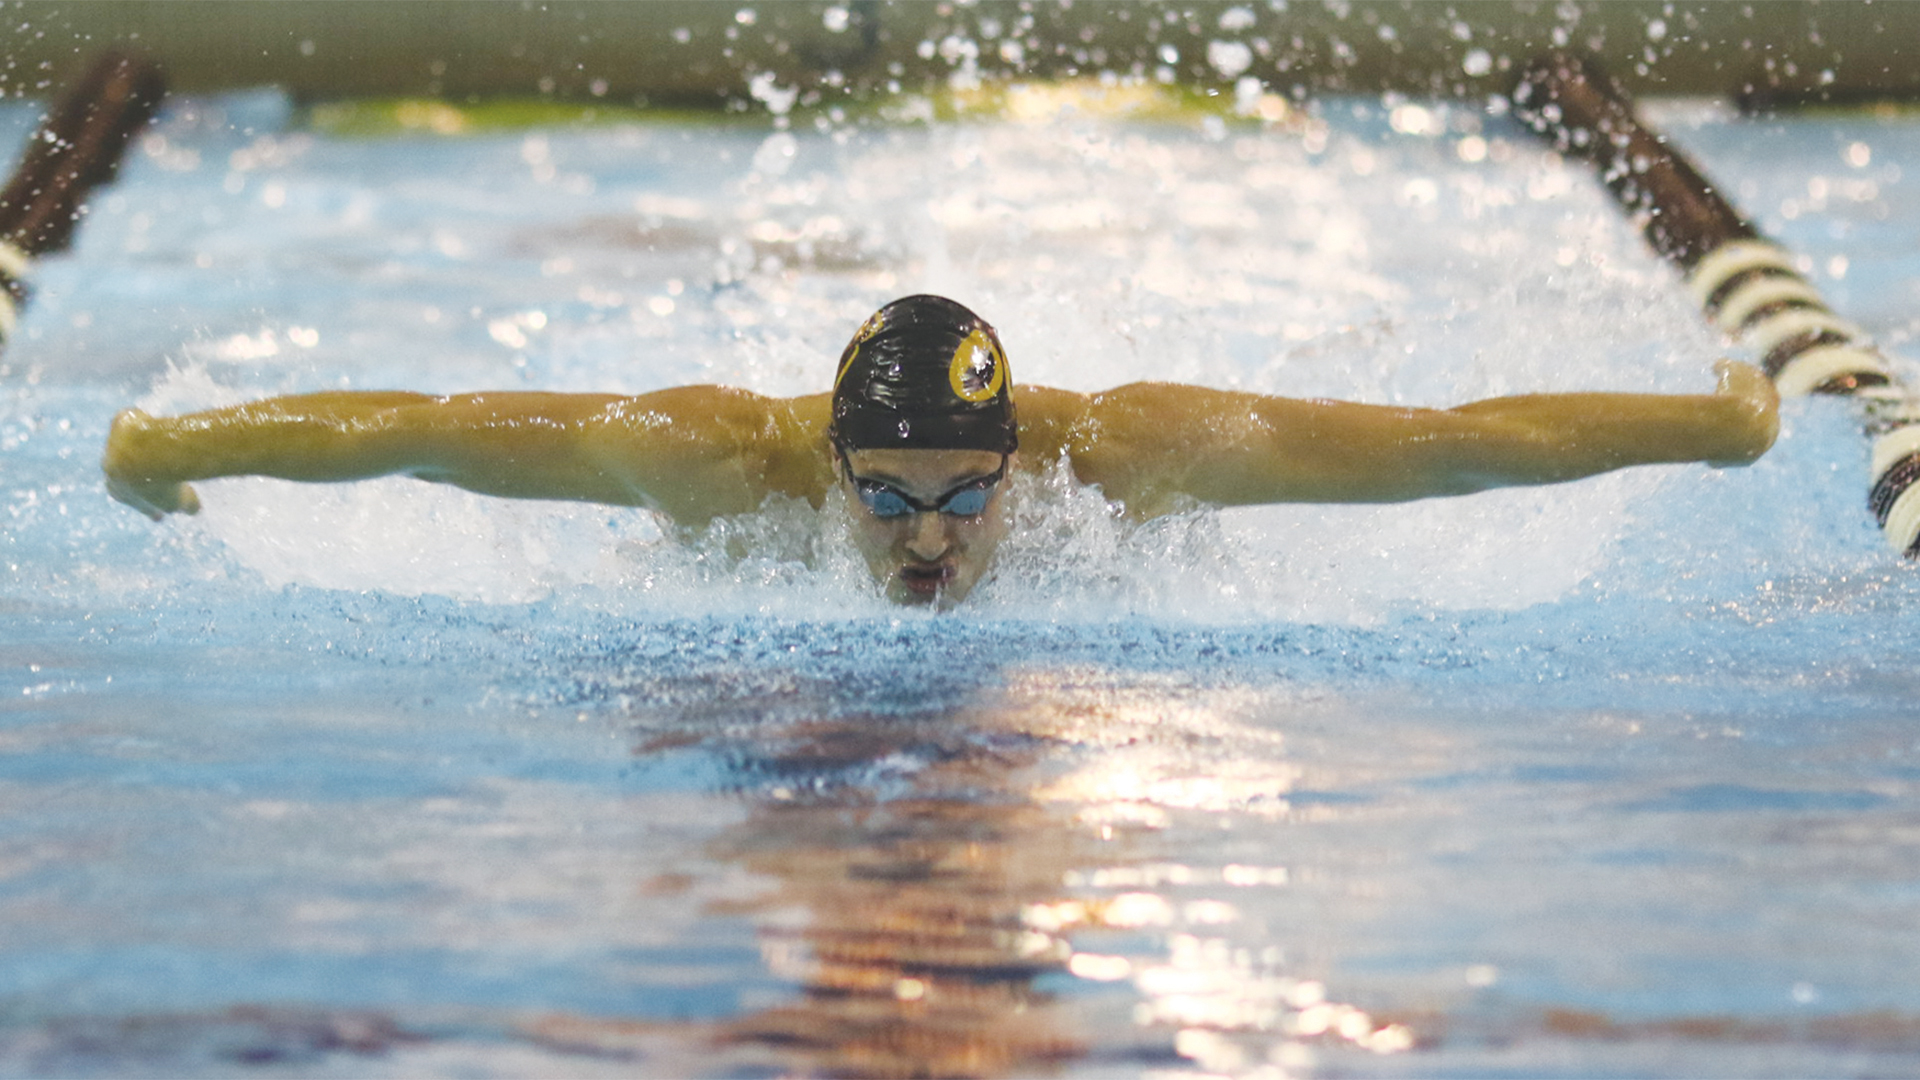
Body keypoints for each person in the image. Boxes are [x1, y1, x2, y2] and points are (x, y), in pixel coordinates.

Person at [102, 293, 1779, 605]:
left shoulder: (1123, 460)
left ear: (1016, 461)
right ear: (824, 462)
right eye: (891, 501)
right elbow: (418, 435)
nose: (929, 547)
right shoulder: (707, 459)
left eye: (966, 501)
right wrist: (160, 441)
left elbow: (1441, 451)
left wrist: (1723, 424)